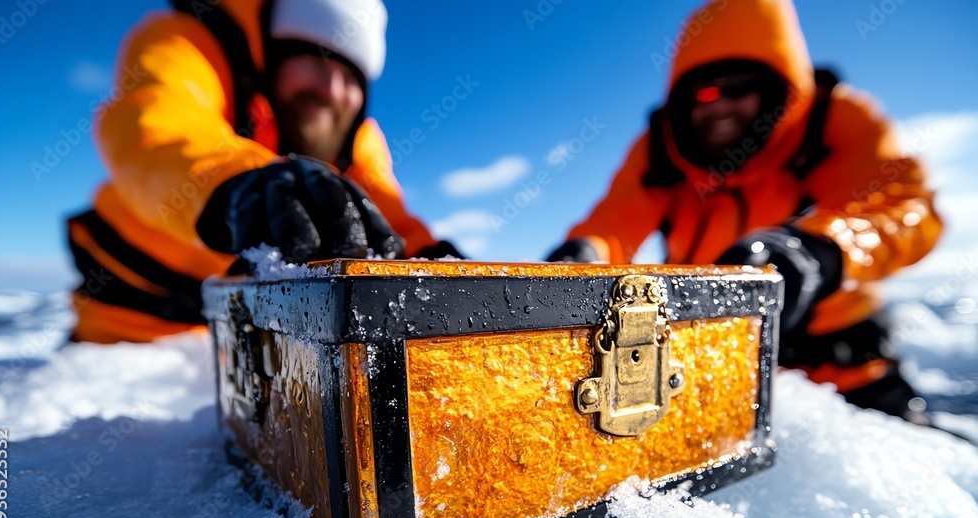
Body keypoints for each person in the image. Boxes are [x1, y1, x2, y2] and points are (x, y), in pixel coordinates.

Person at [547, 0, 942, 424]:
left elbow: (905, 208)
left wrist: (814, 252)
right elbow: (614, 222)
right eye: (705, 94)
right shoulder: (661, 149)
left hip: (846, 378)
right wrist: (581, 257)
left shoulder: (833, 121)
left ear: (776, 89)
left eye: (738, 90)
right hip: (712, 373)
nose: (719, 106)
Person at [66, 0, 458, 344]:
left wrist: (436, 262)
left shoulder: (353, 136)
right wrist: (238, 183)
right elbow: (156, 126)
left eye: (351, 78)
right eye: (316, 61)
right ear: (274, 58)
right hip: (127, 337)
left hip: (243, 346)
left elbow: (386, 214)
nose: (333, 90)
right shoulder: (187, 46)